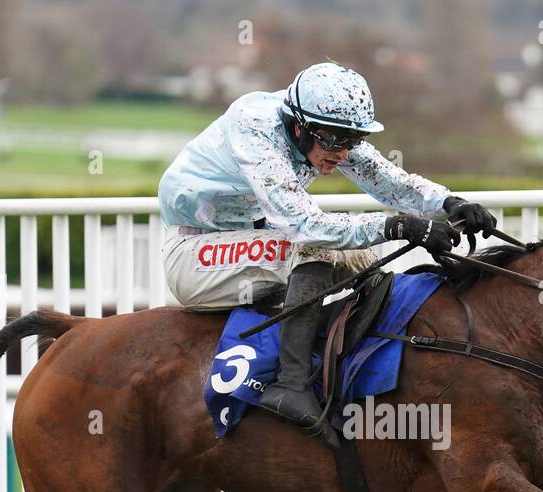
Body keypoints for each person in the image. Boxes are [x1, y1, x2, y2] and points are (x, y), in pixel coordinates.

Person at [158, 61, 496, 442]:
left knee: (362, 259)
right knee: (313, 249)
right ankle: (291, 385)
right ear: (299, 125)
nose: (342, 152)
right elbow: (304, 226)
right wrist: (397, 226)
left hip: (248, 242)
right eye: (335, 141)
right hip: (193, 253)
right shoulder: (255, 127)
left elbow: (389, 182)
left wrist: (449, 202)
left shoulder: (325, 129)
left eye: (352, 141)